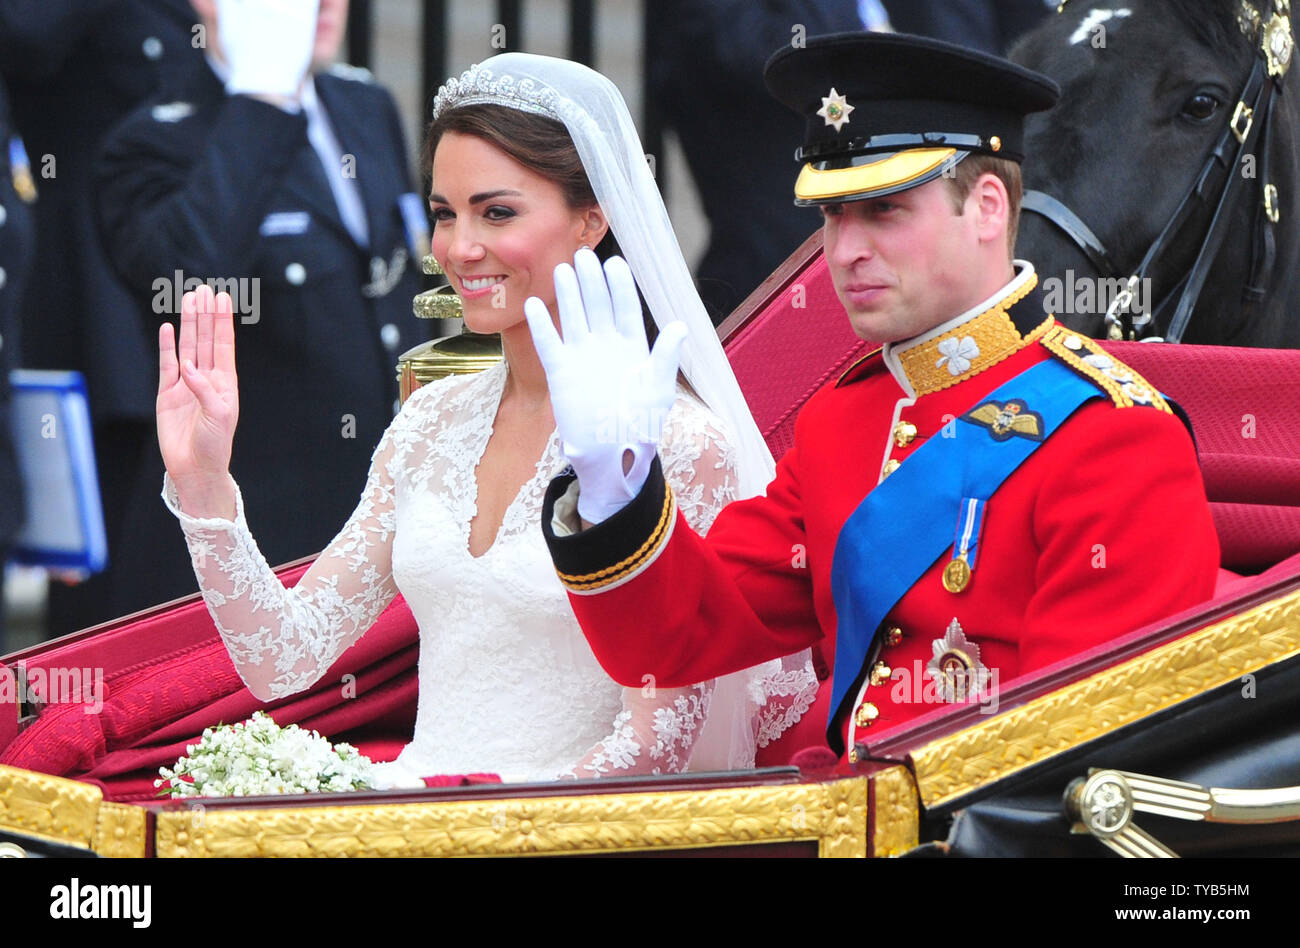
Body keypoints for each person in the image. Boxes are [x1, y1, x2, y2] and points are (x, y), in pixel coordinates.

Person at [531, 32, 1221, 764]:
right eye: (832, 215)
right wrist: (614, 493)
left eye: (884, 210)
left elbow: (1081, 756)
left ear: (987, 208)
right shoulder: (842, 419)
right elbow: (674, 640)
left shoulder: (1114, 436)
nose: (845, 250)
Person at [155, 52, 816, 785]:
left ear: (592, 219)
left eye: (496, 212)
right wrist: (205, 486)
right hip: (418, 810)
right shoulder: (430, 420)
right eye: (444, 214)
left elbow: (659, 744)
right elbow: (284, 657)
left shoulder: (681, 442)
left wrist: (476, 824)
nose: (458, 249)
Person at [95, 0, 428, 620]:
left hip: (373, 532)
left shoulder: (363, 105)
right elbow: (180, 276)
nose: (326, 4)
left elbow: (395, 292)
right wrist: (261, 106)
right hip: (254, 548)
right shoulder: (152, 138)